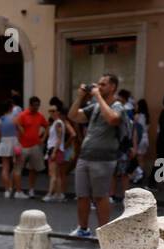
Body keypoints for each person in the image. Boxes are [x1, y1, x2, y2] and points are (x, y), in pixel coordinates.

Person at [68, 74, 126, 237]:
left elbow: (113, 119)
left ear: (113, 87)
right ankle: (83, 228)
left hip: (104, 160)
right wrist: (79, 98)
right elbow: (73, 116)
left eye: (103, 84)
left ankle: (104, 232)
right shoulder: (93, 107)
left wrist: (98, 96)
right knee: (82, 196)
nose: (99, 87)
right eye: (98, 84)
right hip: (85, 157)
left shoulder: (117, 106)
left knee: (100, 197)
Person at [13, 95, 49, 199]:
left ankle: (31, 190)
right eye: (35, 106)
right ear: (30, 105)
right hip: (23, 146)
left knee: (34, 169)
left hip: (35, 146)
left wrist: (43, 138)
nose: (37, 108)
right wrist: (20, 129)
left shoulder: (39, 116)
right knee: (18, 168)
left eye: (38, 106)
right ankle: (18, 191)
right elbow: (16, 124)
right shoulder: (23, 115)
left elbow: (46, 126)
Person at [0, 93, 22, 198]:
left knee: (5, 168)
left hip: (4, 143)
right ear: (11, 108)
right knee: (16, 167)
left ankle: (7, 190)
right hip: (15, 142)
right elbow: (20, 132)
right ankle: (16, 189)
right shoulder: (15, 119)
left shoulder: (0, 120)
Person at [43, 101, 71, 201]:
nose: (51, 112)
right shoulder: (57, 122)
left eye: (53, 110)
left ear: (58, 112)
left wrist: (54, 151)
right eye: (50, 110)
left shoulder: (58, 123)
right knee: (57, 174)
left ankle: (50, 194)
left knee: (53, 174)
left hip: (55, 149)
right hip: (56, 149)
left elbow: (59, 138)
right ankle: (59, 194)